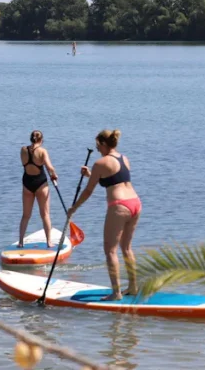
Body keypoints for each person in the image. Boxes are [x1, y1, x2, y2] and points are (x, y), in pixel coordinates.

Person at [67, 129, 140, 301]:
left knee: (110, 251)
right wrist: (91, 175)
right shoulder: (124, 158)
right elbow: (113, 180)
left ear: (103, 144)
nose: (97, 149)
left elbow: (88, 191)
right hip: (135, 203)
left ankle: (116, 293)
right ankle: (133, 287)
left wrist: (74, 208)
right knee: (127, 248)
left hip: (119, 206)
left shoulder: (100, 163)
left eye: (97, 145)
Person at [19, 130, 59, 248]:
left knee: (26, 215)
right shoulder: (42, 151)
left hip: (27, 183)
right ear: (41, 140)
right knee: (45, 214)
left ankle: (21, 242)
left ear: (31, 139)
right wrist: (54, 175)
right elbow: (49, 167)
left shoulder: (23, 150)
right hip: (40, 184)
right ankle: (49, 242)